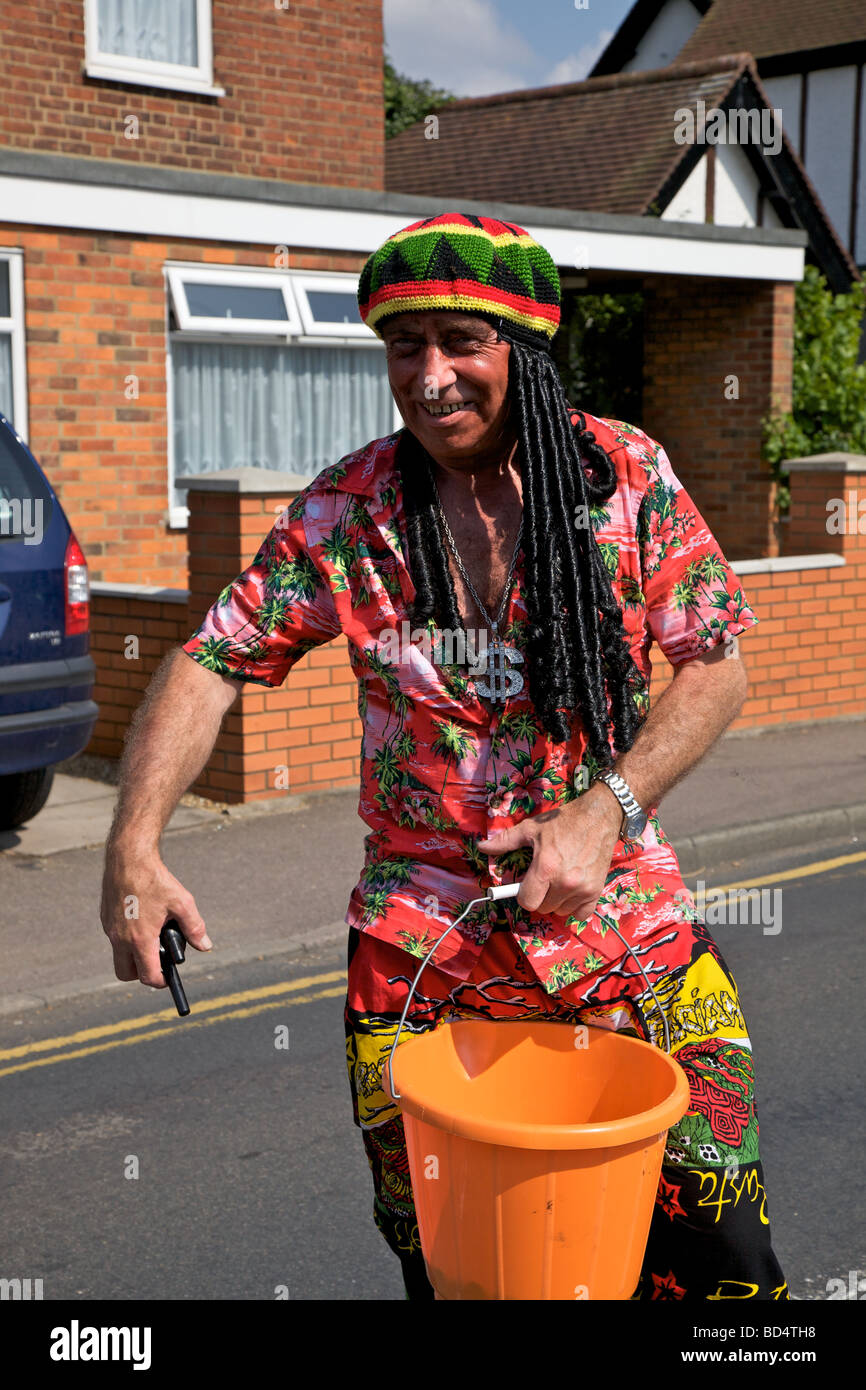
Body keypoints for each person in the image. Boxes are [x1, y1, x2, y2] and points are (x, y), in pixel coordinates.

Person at [101, 211, 788, 1302]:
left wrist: (602, 810)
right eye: (403, 347)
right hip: (422, 963)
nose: (429, 377)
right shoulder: (346, 511)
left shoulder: (624, 476)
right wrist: (133, 847)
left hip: (625, 933)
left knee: (720, 1255)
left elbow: (715, 666)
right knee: (467, 1272)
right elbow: (209, 658)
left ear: (525, 348)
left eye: (461, 341)